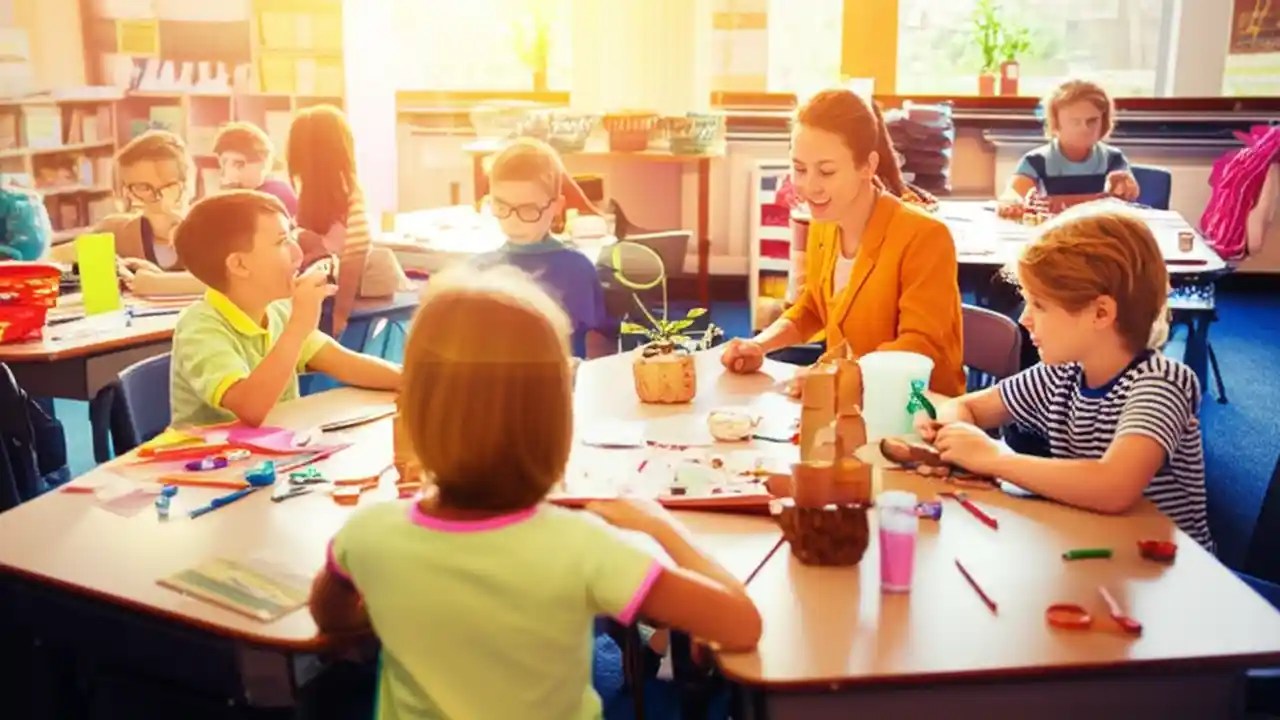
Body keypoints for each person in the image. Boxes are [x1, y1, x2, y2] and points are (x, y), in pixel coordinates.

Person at [309, 265, 762, 720]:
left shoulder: (367, 535)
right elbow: (740, 623)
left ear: (413, 410)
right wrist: (657, 523)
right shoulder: (582, 547)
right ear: (555, 418)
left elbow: (332, 618)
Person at [921, 206, 1210, 548]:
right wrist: (956, 434)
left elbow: (1114, 486)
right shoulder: (1062, 374)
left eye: (1040, 305)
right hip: (1095, 549)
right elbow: (965, 407)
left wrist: (994, 458)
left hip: (1168, 576)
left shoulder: (1163, 384)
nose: (1025, 319)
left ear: (1101, 313)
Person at [721, 88, 966, 396]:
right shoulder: (825, 223)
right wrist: (760, 344)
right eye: (799, 169)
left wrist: (833, 376)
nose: (810, 187)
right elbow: (813, 307)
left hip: (915, 410)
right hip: (849, 402)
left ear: (868, 166)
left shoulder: (925, 236)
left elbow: (918, 346)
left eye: (826, 171)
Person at [169, 190, 400, 428]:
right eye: (281, 242)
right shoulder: (200, 328)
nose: (298, 254)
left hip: (271, 455)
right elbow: (251, 407)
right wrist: (299, 325)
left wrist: (415, 381)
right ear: (239, 264)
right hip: (206, 460)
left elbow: (346, 364)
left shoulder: (278, 310)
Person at [474, 138, 612, 358]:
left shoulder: (576, 269)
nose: (513, 220)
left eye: (528, 210)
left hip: (556, 387)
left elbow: (598, 345)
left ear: (556, 207)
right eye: (501, 206)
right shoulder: (479, 270)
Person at [287, 105, 371, 338]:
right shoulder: (308, 191)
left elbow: (355, 256)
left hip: (329, 300)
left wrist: (340, 316)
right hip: (313, 296)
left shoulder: (346, 192)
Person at [1000, 79, 1140, 205]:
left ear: (1103, 121)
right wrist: (1012, 202)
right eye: (1074, 122)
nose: (1084, 129)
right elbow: (1013, 196)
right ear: (1056, 122)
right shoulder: (1036, 161)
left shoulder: (1113, 159)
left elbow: (1127, 198)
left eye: (1092, 121)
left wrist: (1126, 187)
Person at [213, 122, 299, 216]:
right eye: (224, 163)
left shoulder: (275, 194)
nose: (231, 173)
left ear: (264, 163)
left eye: (239, 164)